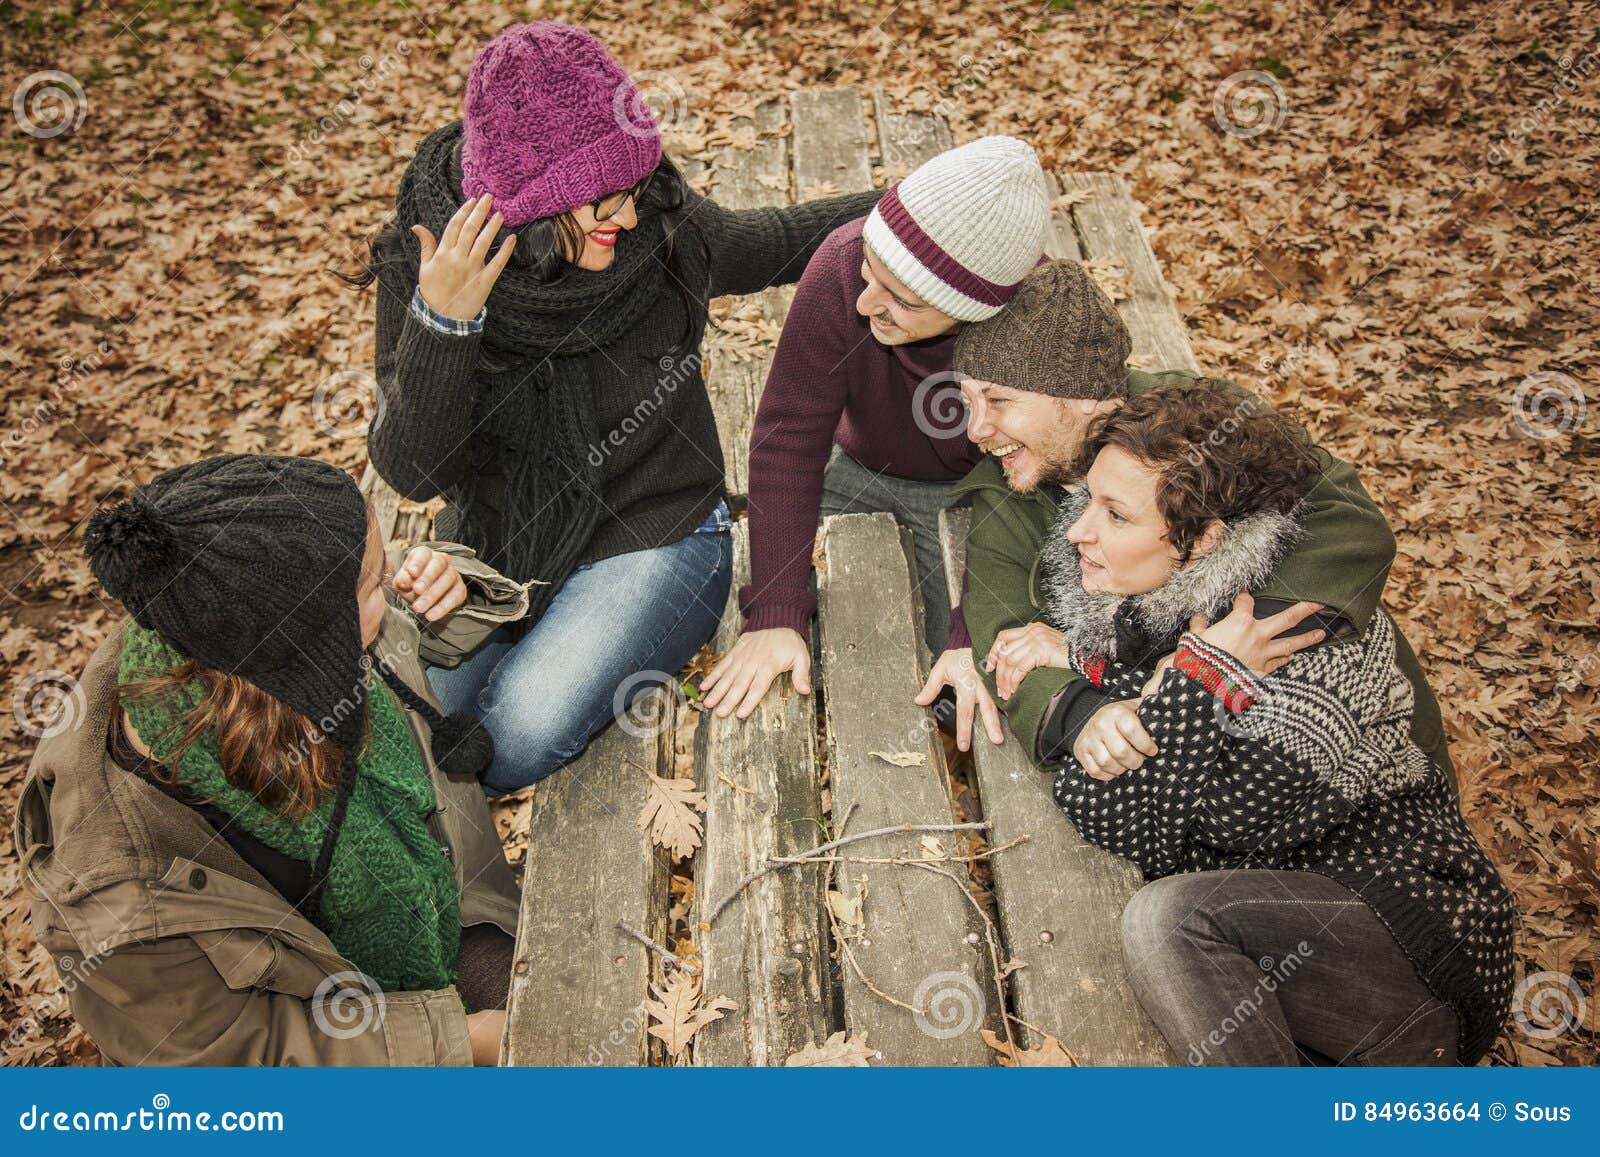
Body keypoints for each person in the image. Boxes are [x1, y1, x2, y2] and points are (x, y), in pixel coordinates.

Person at [352, 22, 881, 793]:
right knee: (413, 720)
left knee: (514, 733)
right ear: (538, 201)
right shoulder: (431, 259)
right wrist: (446, 326)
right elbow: (416, 473)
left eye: (634, 191)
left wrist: (919, 207)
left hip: (657, 532)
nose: (628, 217)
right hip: (504, 548)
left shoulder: (658, 230)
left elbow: (775, 241)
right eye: (606, 200)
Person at [1037, 385, 1516, 1064]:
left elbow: (1227, 818)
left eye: (1114, 514)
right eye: (1088, 501)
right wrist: (1169, 686)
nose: (1079, 530)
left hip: (1417, 956)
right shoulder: (1154, 614)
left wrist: (1194, 681)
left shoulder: (1306, 638)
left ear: (1203, 540)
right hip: (1267, 946)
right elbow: (1100, 809)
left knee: (1167, 923)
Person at [15, 454, 532, 1065]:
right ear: (305, 646)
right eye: (371, 582)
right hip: (326, 1035)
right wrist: (460, 1043)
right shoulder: (119, 886)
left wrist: (457, 589)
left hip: (446, 917)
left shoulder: (234, 633)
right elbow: (234, 1055)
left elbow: (407, 634)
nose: (391, 579)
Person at [948, 260, 1447, 779]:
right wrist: (1078, 711)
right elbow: (1001, 628)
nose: (976, 429)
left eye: (999, 400)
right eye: (966, 401)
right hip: (1173, 769)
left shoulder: (1203, 424)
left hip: (1348, 761)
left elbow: (1349, 524)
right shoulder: (1009, 482)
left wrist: (1223, 640)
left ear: (1079, 399)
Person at [702, 135, 1051, 740]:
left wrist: (971, 633)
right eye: (871, 274)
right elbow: (788, 435)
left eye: (904, 302)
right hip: (857, 465)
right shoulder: (843, 261)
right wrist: (777, 610)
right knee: (806, 646)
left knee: (976, 683)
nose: (866, 303)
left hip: (986, 491)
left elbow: (1037, 487)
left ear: (974, 311)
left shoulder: (1040, 328)